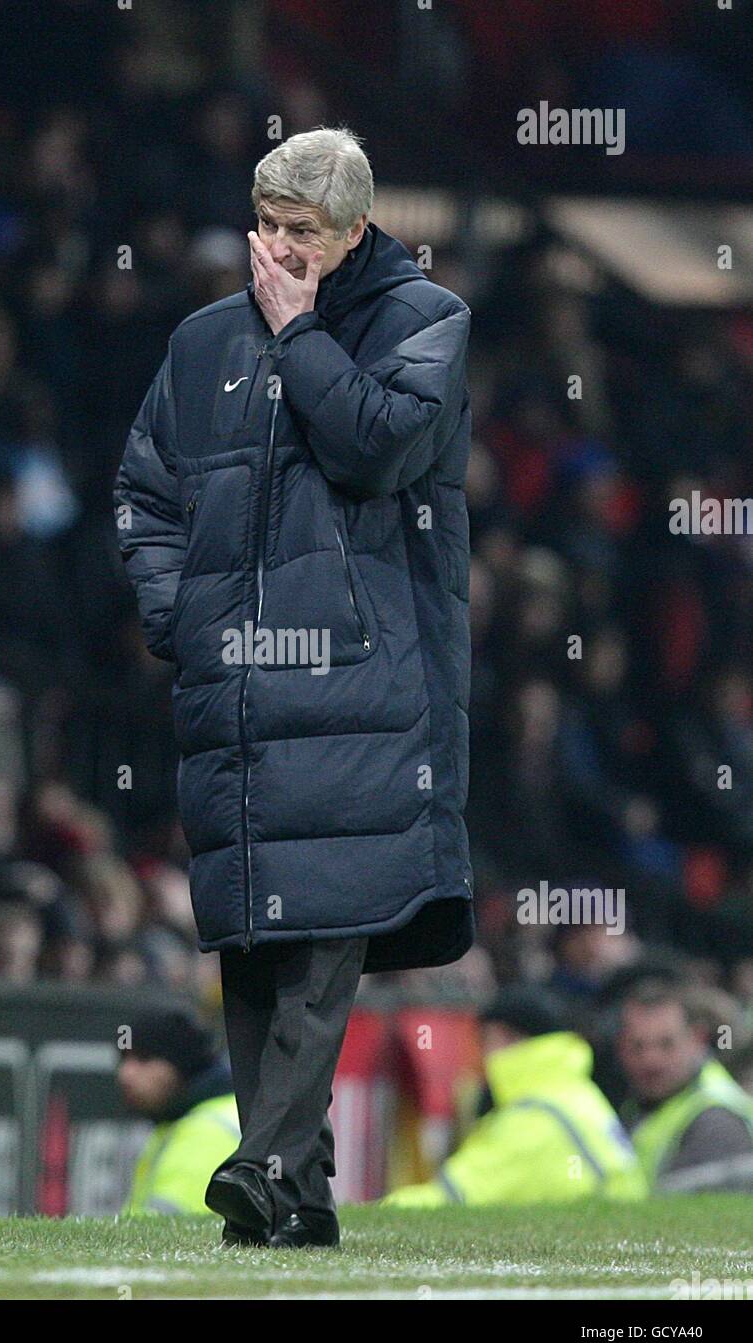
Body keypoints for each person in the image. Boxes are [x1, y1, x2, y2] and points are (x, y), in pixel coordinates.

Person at [115, 127, 474, 1247]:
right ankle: (296, 1200)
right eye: (264, 226)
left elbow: (378, 446)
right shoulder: (200, 342)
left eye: (301, 233)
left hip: (364, 686)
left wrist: (297, 333)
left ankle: (264, 1161)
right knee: (254, 941)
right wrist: (186, 617)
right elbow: (145, 492)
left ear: (357, 231)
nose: (274, 250)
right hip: (235, 689)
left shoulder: (425, 321)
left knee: (329, 925)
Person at [382, 986, 646, 1207]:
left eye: (485, 1041)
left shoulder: (535, 1118)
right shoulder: (570, 1095)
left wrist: (374, 1212)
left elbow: (453, 1198)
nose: (480, 1056)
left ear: (509, 1039)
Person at [617, 979, 753, 1192]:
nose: (651, 1060)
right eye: (638, 1046)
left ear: (697, 1039)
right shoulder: (643, 1104)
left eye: (667, 1044)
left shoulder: (715, 1118)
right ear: (621, 1048)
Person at [119, 1011, 240, 1220]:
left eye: (144, 1058)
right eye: (124, 1059)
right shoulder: (179, 1120)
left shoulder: (206, 1129)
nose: (125, 1073)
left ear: (181, 1066)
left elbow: (154, 1234)